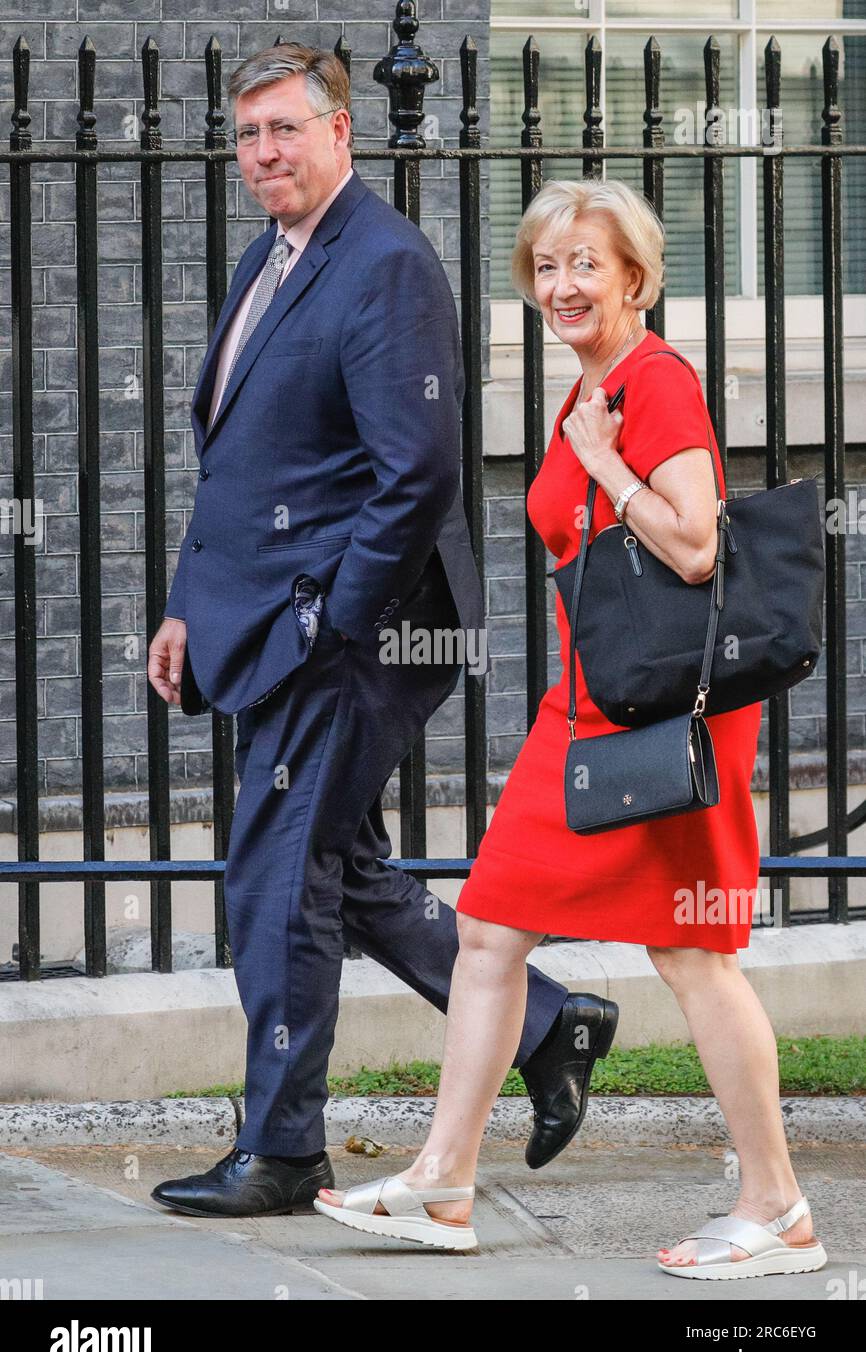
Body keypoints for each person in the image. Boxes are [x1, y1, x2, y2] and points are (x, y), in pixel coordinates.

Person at [316, 178, 828, 1281]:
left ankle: (778, 1207)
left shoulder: (653, 385)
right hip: (585, 708)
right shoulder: (587, 391)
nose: (561, 286)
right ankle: (443, 1182)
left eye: (584, 264)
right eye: (545, 268)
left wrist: (604, 463)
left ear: (634, 277)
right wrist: (587, 447)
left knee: (692, 952)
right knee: (490, 929)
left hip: (665, 718)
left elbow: (695, 546)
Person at [145, 45, 619, 1219]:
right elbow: (244, 464)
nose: (262, 154)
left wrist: (332, 627)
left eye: (284, 131)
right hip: (269, 619)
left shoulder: (385, 262)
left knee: (274, 870)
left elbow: (415, 477)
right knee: (337, 867)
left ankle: (283, 1148)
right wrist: (184, 606)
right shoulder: (276, 255)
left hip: (359, 631)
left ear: (341, 131)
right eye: (247, 134)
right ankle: (552, 1023)